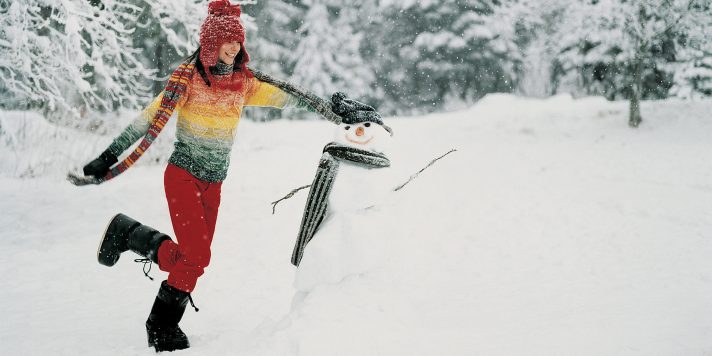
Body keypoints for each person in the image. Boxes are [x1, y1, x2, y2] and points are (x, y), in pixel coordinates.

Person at [80, 0, 339, 351]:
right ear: (211, 42)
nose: (234, 47)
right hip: (183, 176)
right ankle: (160, 325)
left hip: (214, 182)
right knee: (199, 257)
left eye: (238, 40)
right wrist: (108, 155)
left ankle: (132, 235)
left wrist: (332, 109)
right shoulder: (188, 80)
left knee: (192, 259)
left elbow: (286, 99)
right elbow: (147, 118)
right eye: (227, 40)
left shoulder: (243, 84)